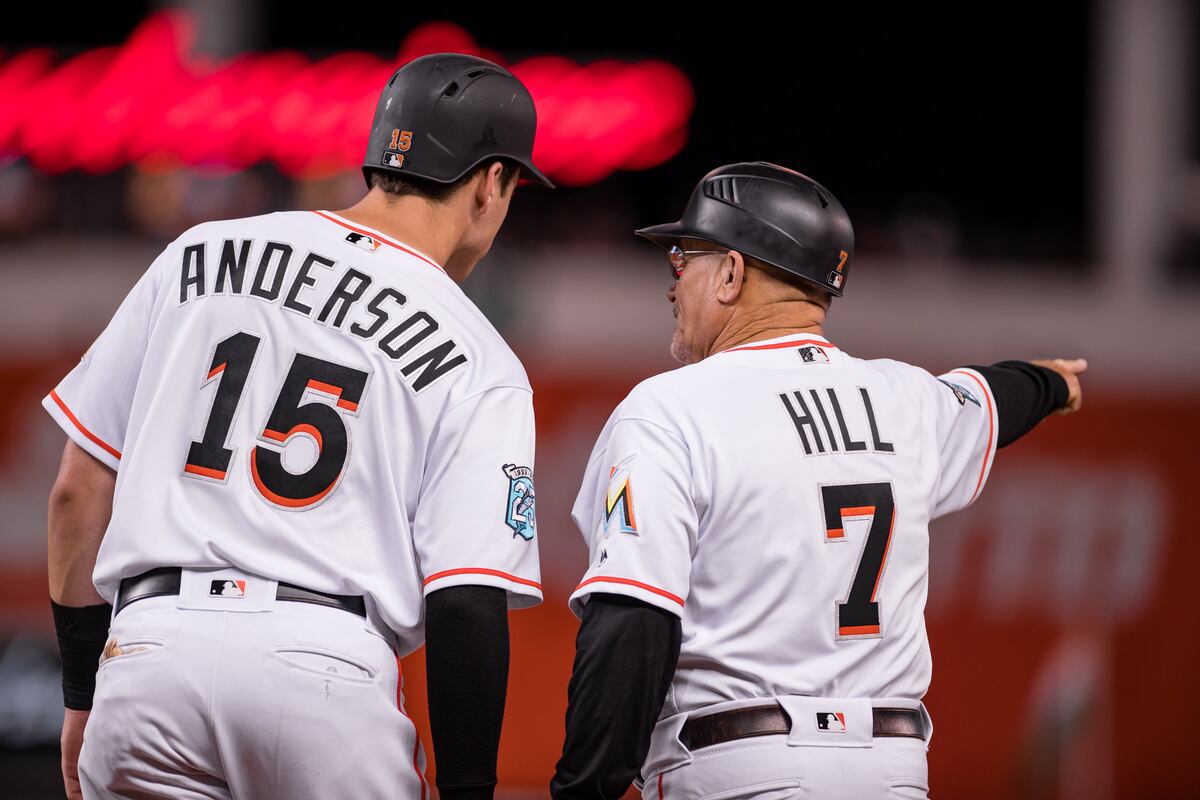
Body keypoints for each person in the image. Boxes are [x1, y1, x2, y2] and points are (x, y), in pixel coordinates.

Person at [44, 53, 552, 800]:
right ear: (490, 182)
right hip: (322, 670)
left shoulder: (199, 253)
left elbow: (76, 490)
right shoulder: (481, 356)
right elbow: (466, 602)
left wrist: (83, 695)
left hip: (150, 654)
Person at [551, 161, 1085, 799]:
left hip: (740, 767)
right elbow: (993, 398)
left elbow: (633, 620)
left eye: (683, 258)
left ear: (731, 273)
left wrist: (582, 790)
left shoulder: (670, 409)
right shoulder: (908, 399)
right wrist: (1051, 383)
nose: (672, 285)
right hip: (892, 771)